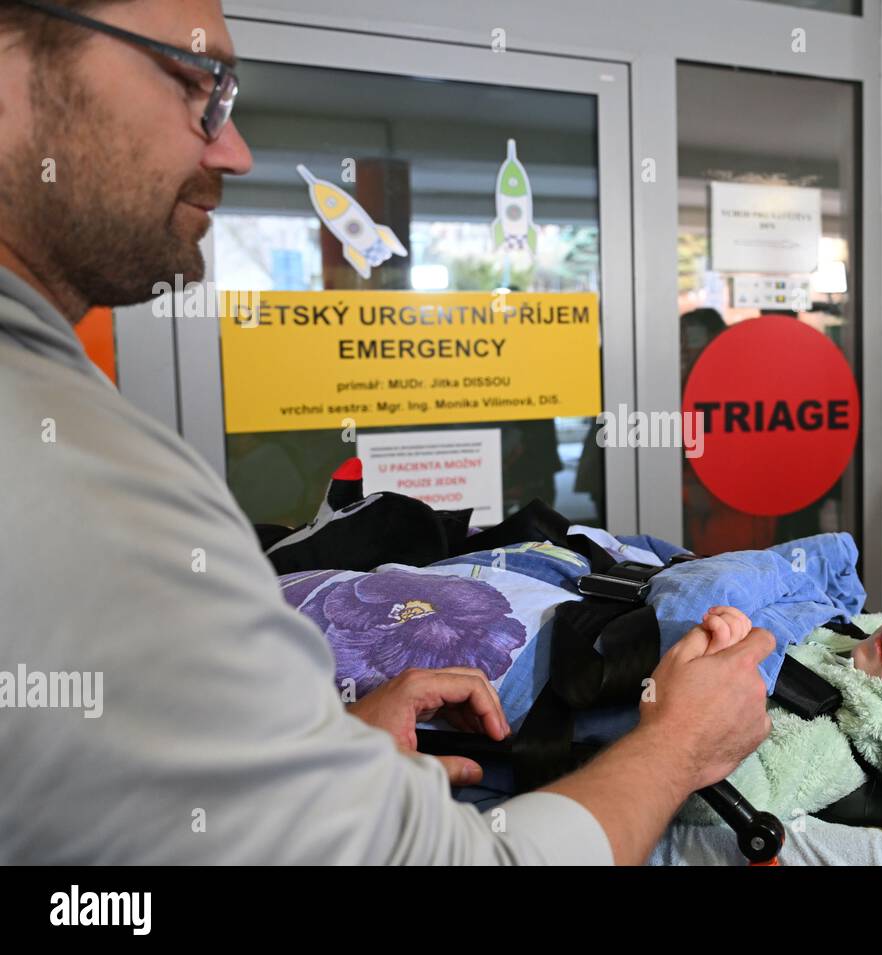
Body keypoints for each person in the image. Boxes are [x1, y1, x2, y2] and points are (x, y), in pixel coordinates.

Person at [0, 0, 773, 864]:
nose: (233, 149)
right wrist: (681, 744)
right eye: (193, 81)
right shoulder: (90, 486)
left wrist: (321, 752)